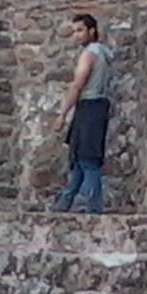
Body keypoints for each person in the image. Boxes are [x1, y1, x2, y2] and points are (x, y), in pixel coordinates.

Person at [54, 14, 115, 214]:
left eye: (80, 30)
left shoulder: (90, 54)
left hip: (89, 105)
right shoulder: (105, 53)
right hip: (98, 105)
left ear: (92, 31)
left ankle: (93, 207)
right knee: (80, 158)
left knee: (88, 159)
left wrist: (63, 113)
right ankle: (65, 201)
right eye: (74, 31)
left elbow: (78, 85)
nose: (76, 35)